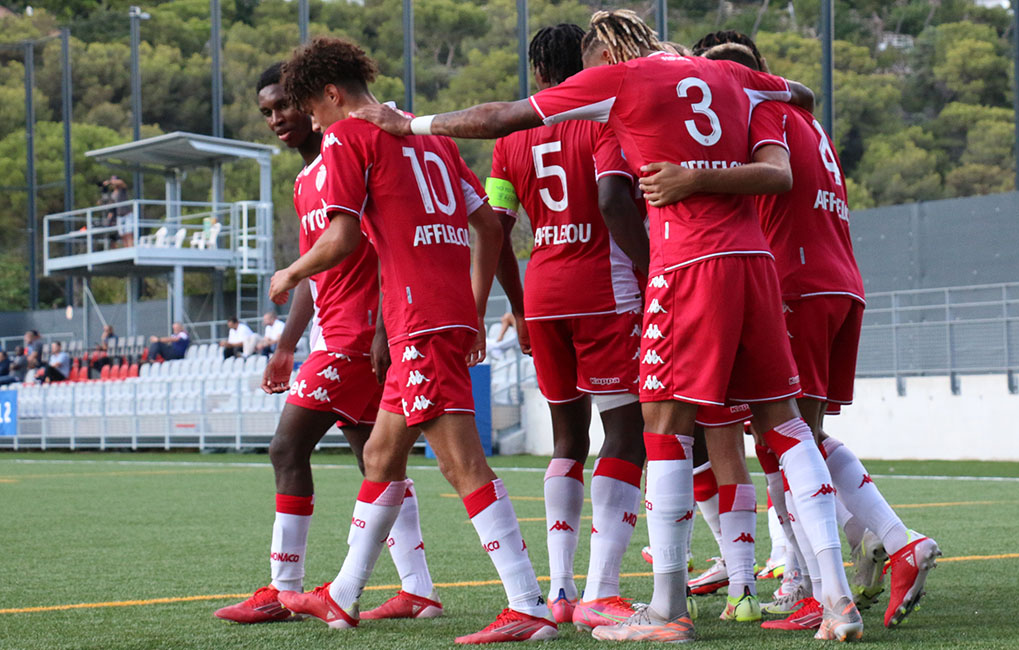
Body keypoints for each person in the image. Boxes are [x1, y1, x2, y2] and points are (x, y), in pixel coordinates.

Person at [348, 9, 860, 643]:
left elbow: (501, 120)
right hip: (754, 262)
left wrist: (410, 123)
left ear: (605, 57)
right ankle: (836, 599)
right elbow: (800, 97)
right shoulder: (728, 75)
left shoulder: (616, 81)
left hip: (674, 268)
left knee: (658, 430)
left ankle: (661, 607)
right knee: (785, 424)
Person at [645, 40, 942, 634]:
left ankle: (874, 552)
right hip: (838, 281)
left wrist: (688, 177)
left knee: (781, 437)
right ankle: (848, 556)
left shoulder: (760, 113)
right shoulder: (808, 122)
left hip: (792, 283)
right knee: (801, 434)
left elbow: (769, 180)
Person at [268, 38, 555, 643]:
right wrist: (471, 307)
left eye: (312, 108)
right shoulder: (429, 134)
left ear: (331, 94)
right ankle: (344, 594)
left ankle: (528, 605)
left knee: (461, 464)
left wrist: (292, 271)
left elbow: (343, 237)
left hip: (418, 316)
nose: (314, 123)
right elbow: (488, 227)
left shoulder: (349, 135)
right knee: (379, 455)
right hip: (431, 316)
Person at [215, 61, 439, 626]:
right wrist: (286, 345)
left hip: (357, 336)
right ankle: (417, 589)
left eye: (284, 105)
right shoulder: (303, 181)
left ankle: (282, 589)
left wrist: (385, 327)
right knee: (376, 462)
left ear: (313, 101)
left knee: (286, 449)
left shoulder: (350, 153)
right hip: (333, 333)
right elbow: (315, 272)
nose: (276, 118)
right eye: (266, 112)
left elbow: (388, 243)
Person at [486, 23, 647, 631]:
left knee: (566, 442)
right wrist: (653, 270)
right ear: (588, 65)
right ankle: (603, 591)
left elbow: (495, 231)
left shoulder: (510, 138)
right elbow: (613, 199)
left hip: (544, 295)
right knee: (626, 434)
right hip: (604, 292)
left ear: (537, 74)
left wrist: (518, 304)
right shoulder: (604, 119)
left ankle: (559, 589)